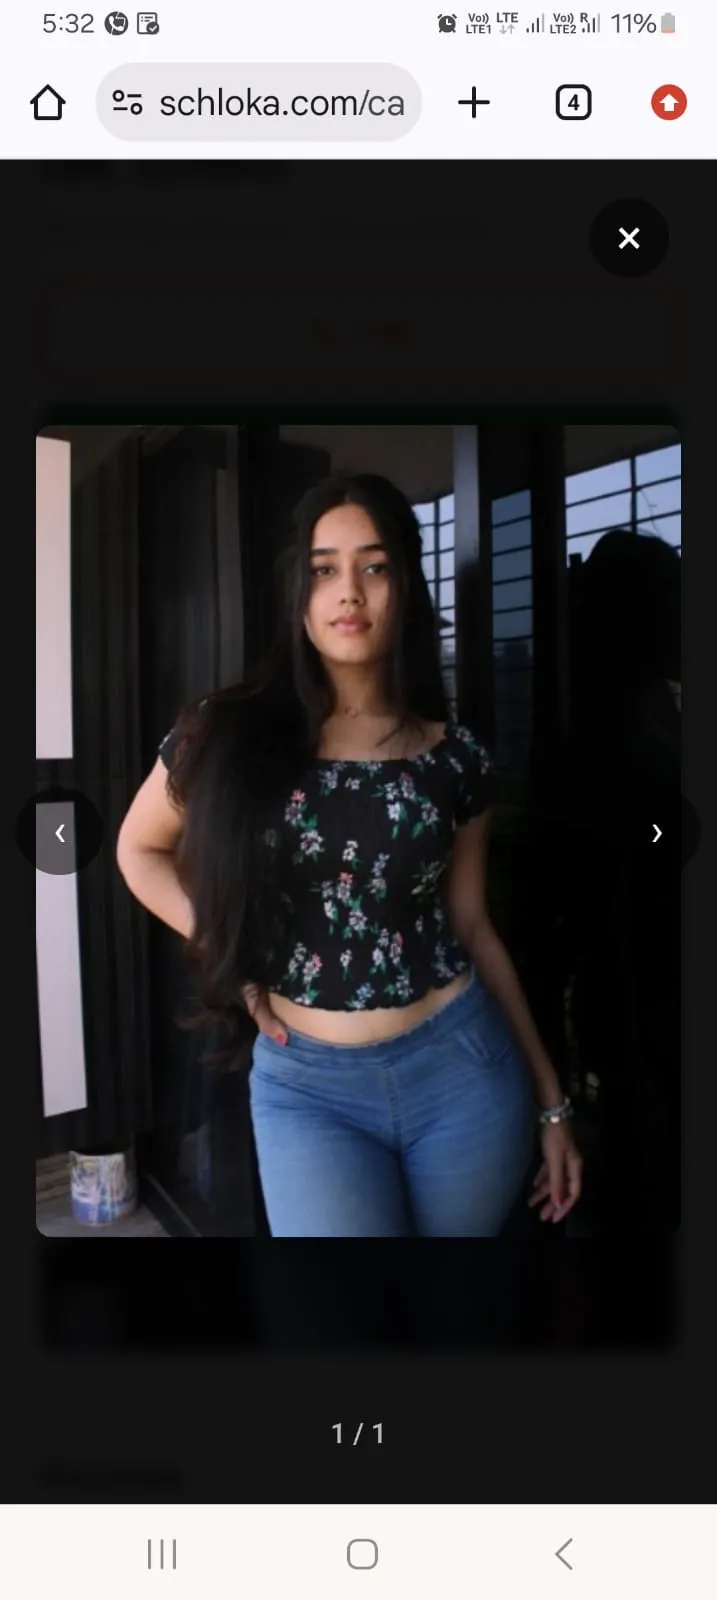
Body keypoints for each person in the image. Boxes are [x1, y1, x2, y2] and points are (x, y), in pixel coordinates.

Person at [117, 473, 582, 1238]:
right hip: (308, 1088)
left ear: (405, 587)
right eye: (323, 568)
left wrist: (551, 1101)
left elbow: (472, 927)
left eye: (374, 566)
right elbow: (139, 850)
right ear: (297, 592)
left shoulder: (454, 758)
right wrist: (237, 964)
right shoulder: (223, 735)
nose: (349, 592)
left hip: (461, 1068)